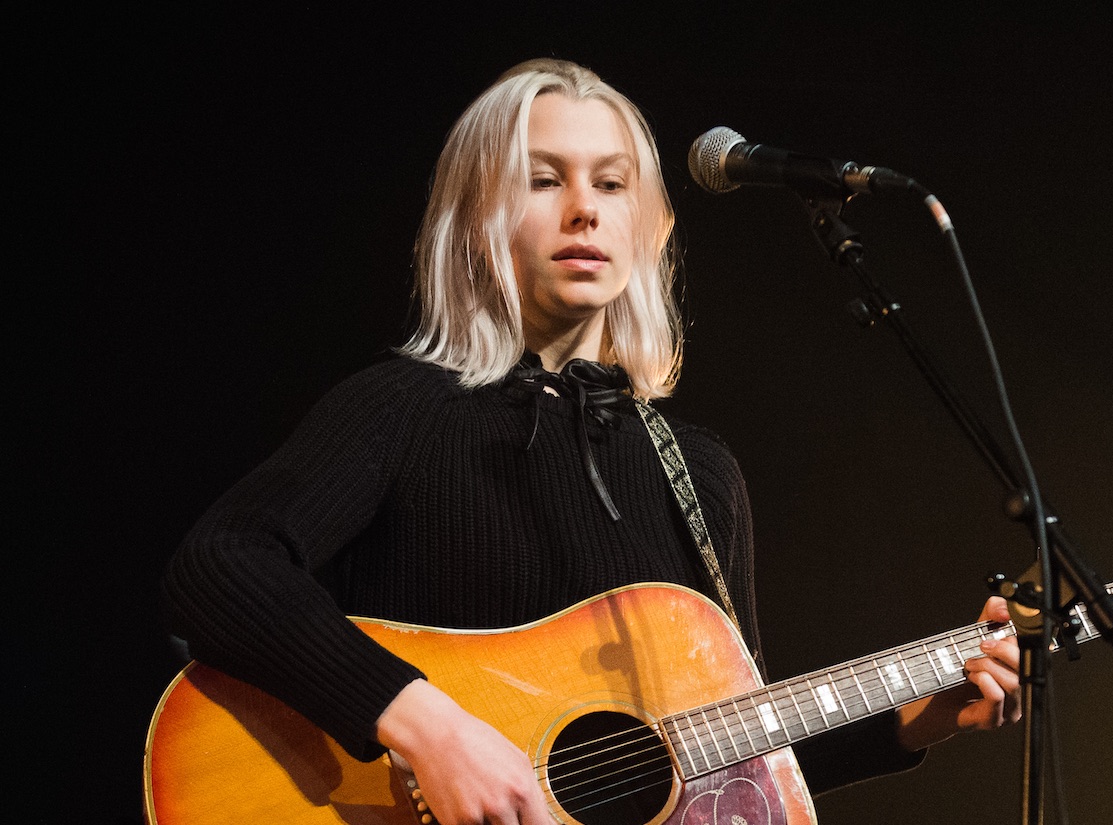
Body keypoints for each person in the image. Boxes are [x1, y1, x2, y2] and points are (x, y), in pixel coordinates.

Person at [161, 57, 1020, 825]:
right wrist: (429, 727)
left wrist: (924, 715)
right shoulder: (402, 408)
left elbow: (734, 759)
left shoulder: (699, 472)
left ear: (646, 226)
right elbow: (220, 563)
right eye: (544, 180)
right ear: (478, 220)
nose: (583, 209)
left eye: (612, 185)